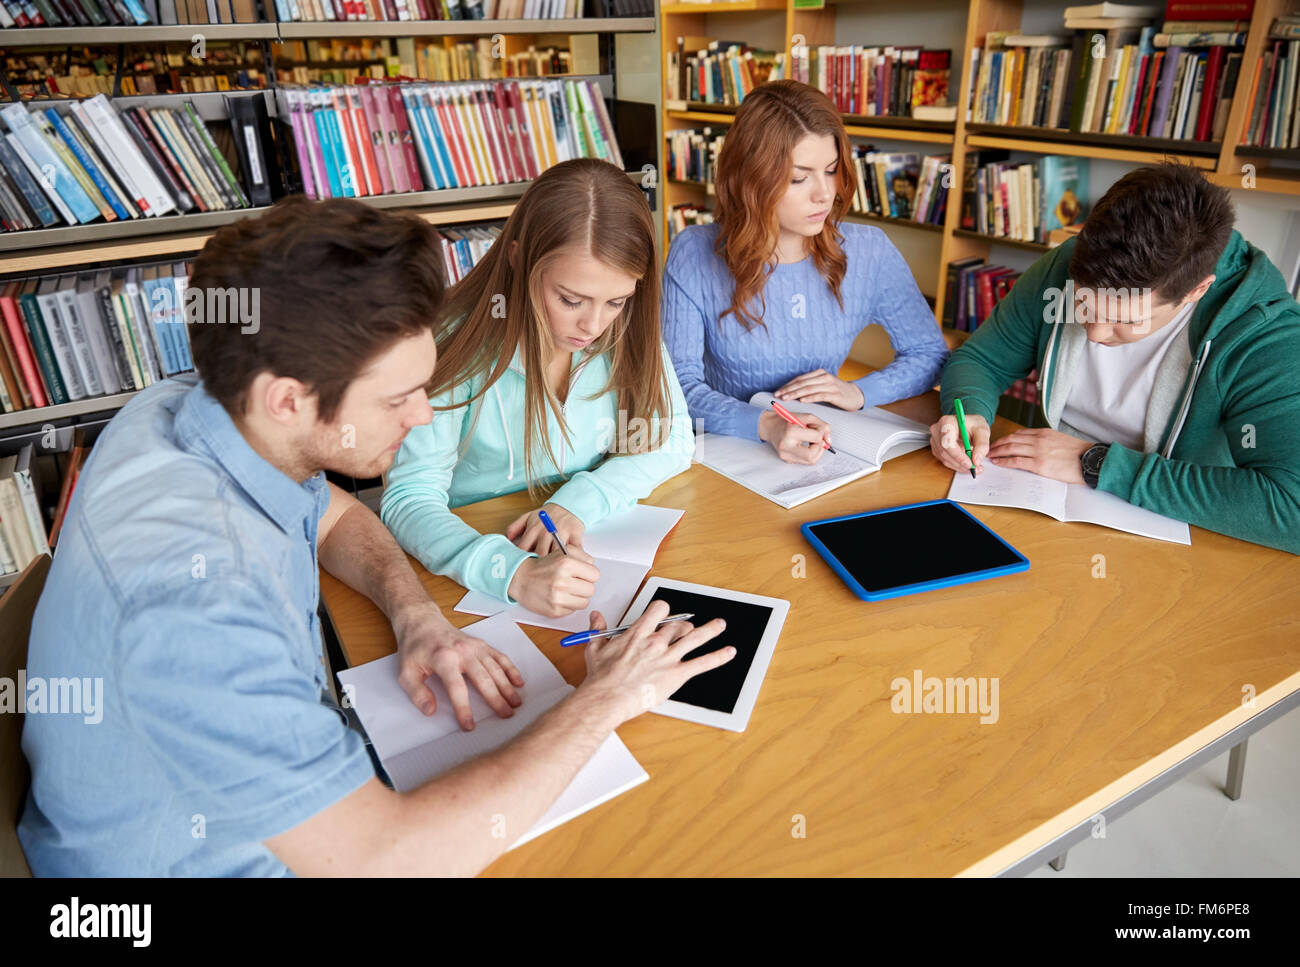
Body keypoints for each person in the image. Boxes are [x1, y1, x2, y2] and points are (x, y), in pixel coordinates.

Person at [17, 196, 732, 876]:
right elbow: (388, 861)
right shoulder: (197, 608)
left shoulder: (191, 406)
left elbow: (329, 512)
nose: (424, 418)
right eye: (398, 399)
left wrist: (415, 612)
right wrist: (605, 699)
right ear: (288, 398)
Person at [930, 162, 1300, 554]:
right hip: (1040, 504)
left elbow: (1292, 510)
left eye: (1124, 320)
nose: (1094, 332)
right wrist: (969, 410)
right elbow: (984, 360)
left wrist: (1098, 464)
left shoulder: (1264, 335)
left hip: (1178, 540)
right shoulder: (1067, 263)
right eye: (1083, 304)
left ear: (1195, 291)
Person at [381, 158, 693, 619]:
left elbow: (672, 438)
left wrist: (578, 503)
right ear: (517, 259)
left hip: (591, 544)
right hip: (474, 564)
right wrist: (511, 573)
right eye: (570, 299)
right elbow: (408, 499)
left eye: (616, 301)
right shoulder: (451, 344)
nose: (592, 325)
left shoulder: (625, 327)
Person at [662, 80, 950, 465]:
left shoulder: (869, 251)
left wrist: (860, 392)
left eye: (830, 171)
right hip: (725, 452)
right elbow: (678, 386)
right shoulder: (694, 252)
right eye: (799, 178)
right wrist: (765, 424)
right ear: (752, 180)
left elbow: (930, 353)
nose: (824, 194)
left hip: (821, 449)